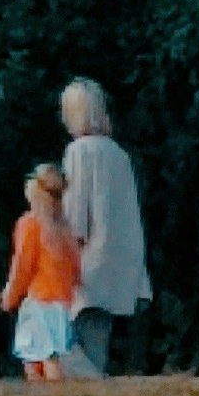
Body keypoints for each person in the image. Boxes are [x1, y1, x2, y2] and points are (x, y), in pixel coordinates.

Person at [55, 80, 148, 379]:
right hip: (118, 266)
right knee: (97, 343)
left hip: (87, 265)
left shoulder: (79, 152)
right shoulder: (119, 155)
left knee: (63, 344)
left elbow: (76, 216)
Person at [0, 163, 85, 384]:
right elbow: (76, 271)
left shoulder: (29, 224)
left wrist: (10, 296)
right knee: (51, 356)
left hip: (39, 301)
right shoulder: (66, 231)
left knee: (36, 358)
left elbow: (22, 267)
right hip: (62, 303)